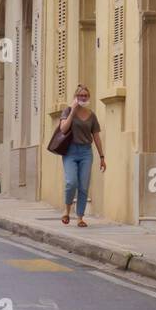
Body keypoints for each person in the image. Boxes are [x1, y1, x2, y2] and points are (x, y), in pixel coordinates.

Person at [57, 84, 104, 227]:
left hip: (86, 152)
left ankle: (80, 217)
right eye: (80, 96)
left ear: (88, 97)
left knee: (83, 185)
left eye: (85, 96)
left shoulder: (92, 115)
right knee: (71, 182)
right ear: (75, 97)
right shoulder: (67, 111)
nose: (83, 98)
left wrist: (102, 157)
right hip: (70, 151)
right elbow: (63, 129)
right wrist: (72, 111)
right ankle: (67, 210)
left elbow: (96, 136)